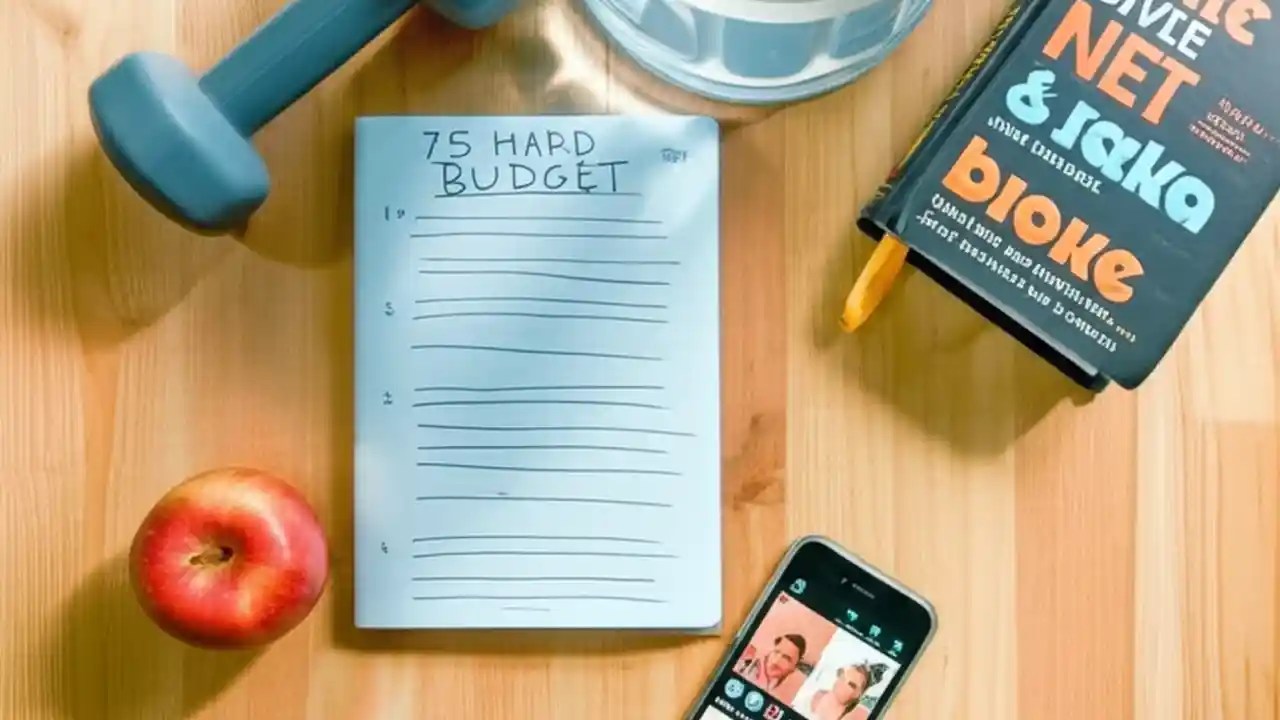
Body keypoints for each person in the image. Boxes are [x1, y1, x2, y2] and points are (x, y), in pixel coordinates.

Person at [803, 663, 884, 720]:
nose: (843, 684)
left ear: (858, 695)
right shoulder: (812, 694)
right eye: (844, 677)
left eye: (851, 685)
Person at [736, 634, 808, 693]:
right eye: (776, 652)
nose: (776, 661)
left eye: (786, 658)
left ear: (794, 667)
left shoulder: (796, 689)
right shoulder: (746, 661)